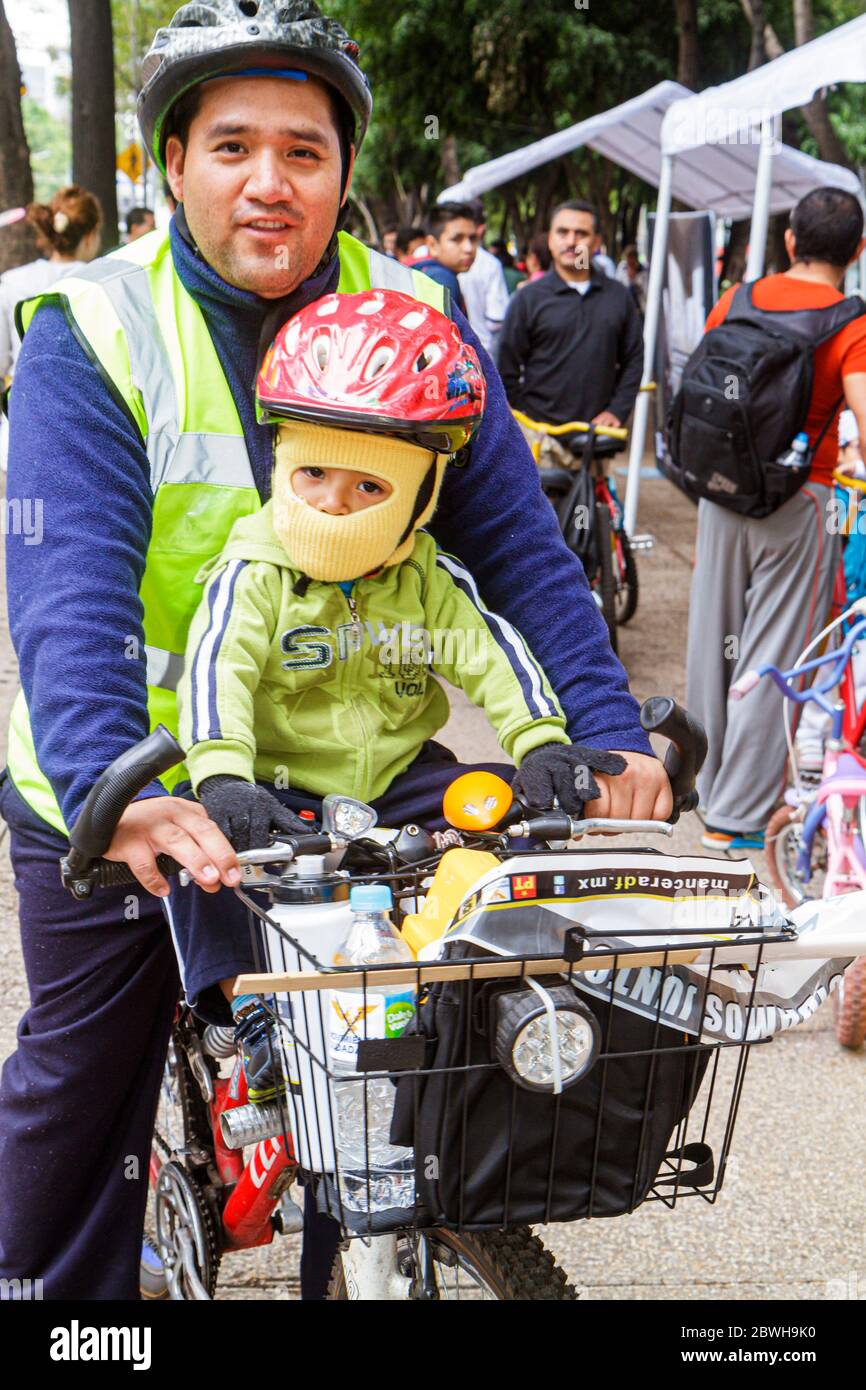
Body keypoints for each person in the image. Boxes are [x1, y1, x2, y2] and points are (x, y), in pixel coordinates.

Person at [0, 0, 667, 1303]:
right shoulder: (98, 327)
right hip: (136, 773)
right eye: (232, 145)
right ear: (171, 161)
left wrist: (602, 728)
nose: (269, 182)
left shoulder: (414, 305)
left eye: (304, 151)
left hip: (344, 756)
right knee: (85, 1083)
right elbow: (65, 584)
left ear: (344, 173)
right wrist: (110, 782)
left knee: (394, 1080)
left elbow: (517, 552)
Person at [171, 288, 627, 1101]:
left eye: (368, 490)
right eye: (311, 475)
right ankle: (244, 1015)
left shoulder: (424, 577)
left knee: (501, 822)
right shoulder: (256, 571)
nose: (332, 506)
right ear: (281, 465)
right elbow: (218, 671)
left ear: (421, 496)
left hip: (394, 771)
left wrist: (542, 742)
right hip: (274, 780)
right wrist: (221, 776)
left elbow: (493, 656)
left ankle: (491, 989)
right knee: (208, 864)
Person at [686, 187, 866, 853]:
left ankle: (695, 779)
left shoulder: (737, 299)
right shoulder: (852, 322)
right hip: (801, 499)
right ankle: (734, 815)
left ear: (790, 241)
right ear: (859, 250)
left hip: (719, 491)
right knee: (773, 653)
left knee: (714, 636)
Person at [499, 199, 644, 433]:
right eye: (562, 232)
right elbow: (505, 366)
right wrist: (524, 415)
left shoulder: (618, 296)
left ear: (596, 242)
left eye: (581, 233)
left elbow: (634, 360)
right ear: (550, 240)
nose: (571, 241)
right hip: (539, 435)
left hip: (597, 435)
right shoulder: (528, 298)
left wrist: (617, 410)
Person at [0, 185, 102, 382]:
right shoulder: (102, 282)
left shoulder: (11, 283)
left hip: (21, 403)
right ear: (90, 236)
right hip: (84, 401)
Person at [451, 198, 510, 358]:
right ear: (481, 229)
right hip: (481, 355)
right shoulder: (489, 264)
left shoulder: (439, 262)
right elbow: (496, 319)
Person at [413, 201, 479, 315]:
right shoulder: (442, 278)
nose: (468, 248)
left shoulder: (427, 272)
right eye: (456, 239)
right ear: (432, 245)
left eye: (472, 238)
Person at [616, 243, 648, 316]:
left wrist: (638, 287)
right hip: (624, 307)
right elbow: (617, 285)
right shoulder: (622, 267)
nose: (630, 261)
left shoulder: (643, 271)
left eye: (632, 258)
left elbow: (646, 290)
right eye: (628, 258)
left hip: (640, 309)